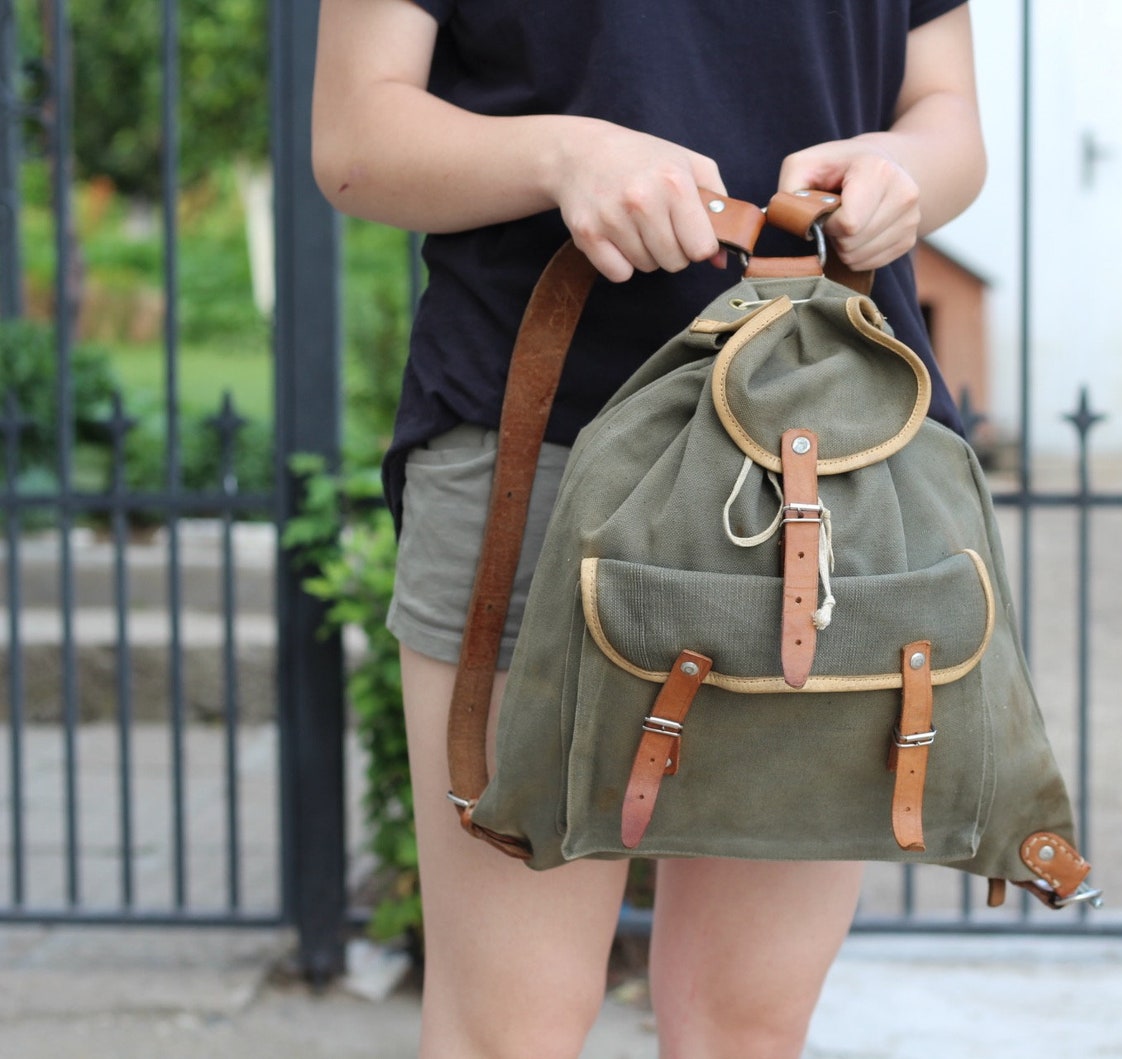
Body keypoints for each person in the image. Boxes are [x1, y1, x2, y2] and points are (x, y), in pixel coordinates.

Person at [311, 1, 985, 1055]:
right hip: (540, 444)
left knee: (749, 1027)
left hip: (827, 458)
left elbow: (944, 110)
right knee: (510, 1029)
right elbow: (356, 138)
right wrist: (561, 154)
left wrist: (901, 172)